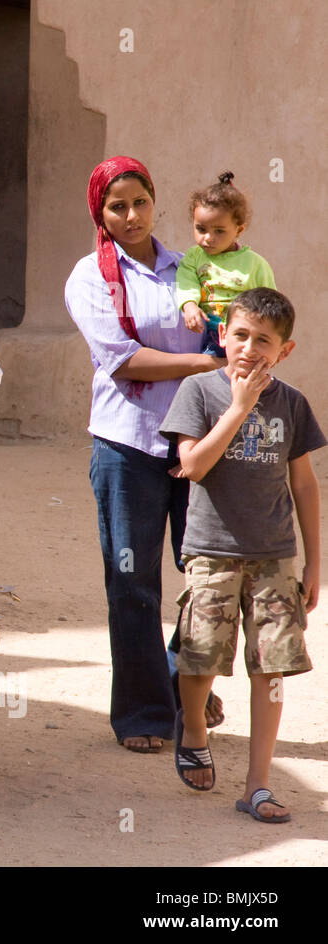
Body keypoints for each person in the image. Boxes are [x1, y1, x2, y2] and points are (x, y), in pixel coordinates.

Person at [64, 156, 226, 755]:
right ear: (99, 213)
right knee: (132, 582)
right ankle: (142, 713)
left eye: (140, 202)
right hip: (126, 444)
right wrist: (203, 363)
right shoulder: (89, 276)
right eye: (117, 206)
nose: (130, 216)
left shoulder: (192, 270)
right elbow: (123, 358)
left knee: (207, 576)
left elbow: (225, 334)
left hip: (197, 447)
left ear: (154, 202)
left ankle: (187, 687)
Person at [159, 288, 321, 821]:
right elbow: (194, 466)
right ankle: (195, 730)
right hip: (211, 551)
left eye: (264, 341)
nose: (249, 348)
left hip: (276, 554)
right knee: (200, 655)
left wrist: (315, 562)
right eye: (241, 335)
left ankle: (258, 785)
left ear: (284, 350)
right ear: (223, 335)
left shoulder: (293, 403)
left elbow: (304, 483)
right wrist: (239, 408)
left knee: (270, 669)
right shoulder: (198, 391)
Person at [176, 172, 276, 358]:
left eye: (219, 231)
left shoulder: (255, 265)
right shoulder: (194, 257)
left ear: (239, 230)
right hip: (202, 331)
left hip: (242, 337)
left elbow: (270, 305)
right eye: (201, 229)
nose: (208, 238)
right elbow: (185, 282)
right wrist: (189, 306)